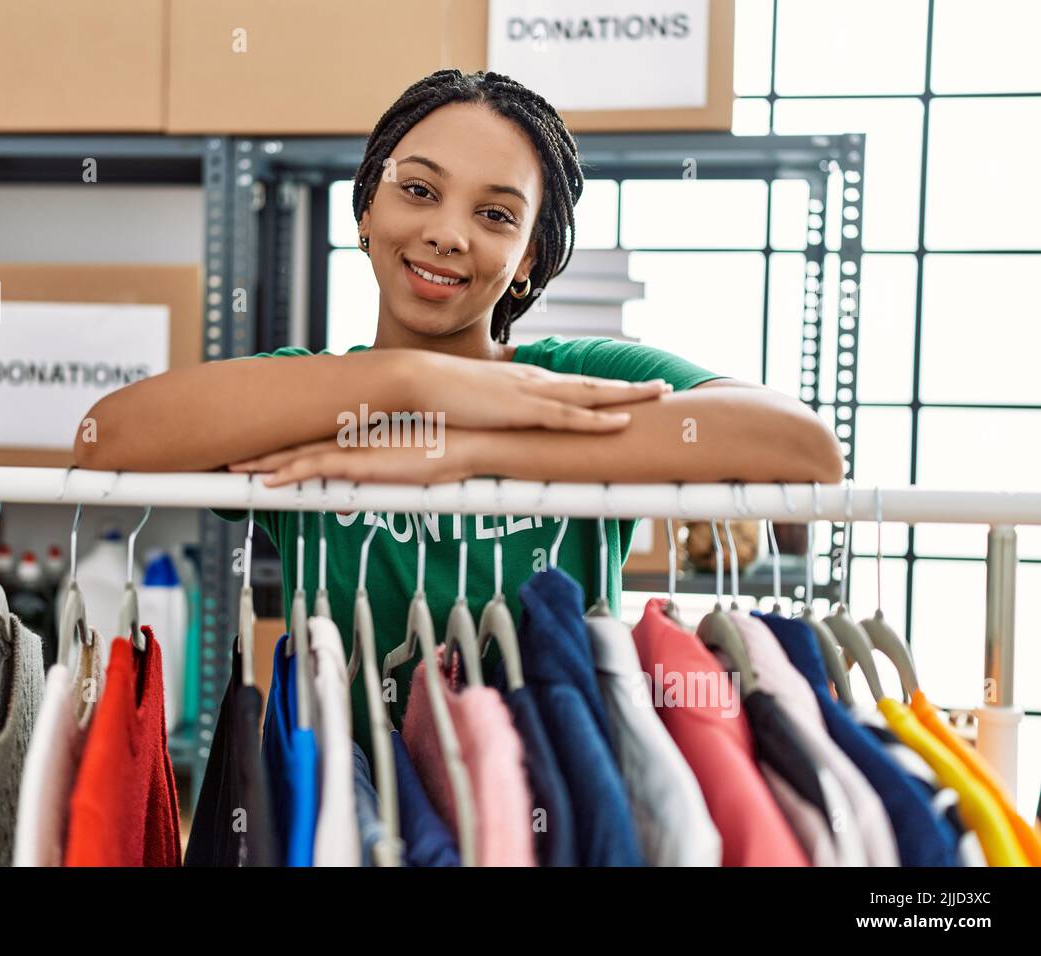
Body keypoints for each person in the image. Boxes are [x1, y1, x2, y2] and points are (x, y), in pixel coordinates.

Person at [76, 69, 843, 756]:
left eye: (497, 215)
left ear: (530, 261)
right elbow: (102, 438)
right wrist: (411, 382)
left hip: (551, 805)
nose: (448, 232)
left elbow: (804, 448)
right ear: (366, 207)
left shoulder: (577, 376)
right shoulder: (304, 396)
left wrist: (472, 451)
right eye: (418, 190)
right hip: (345, 811)